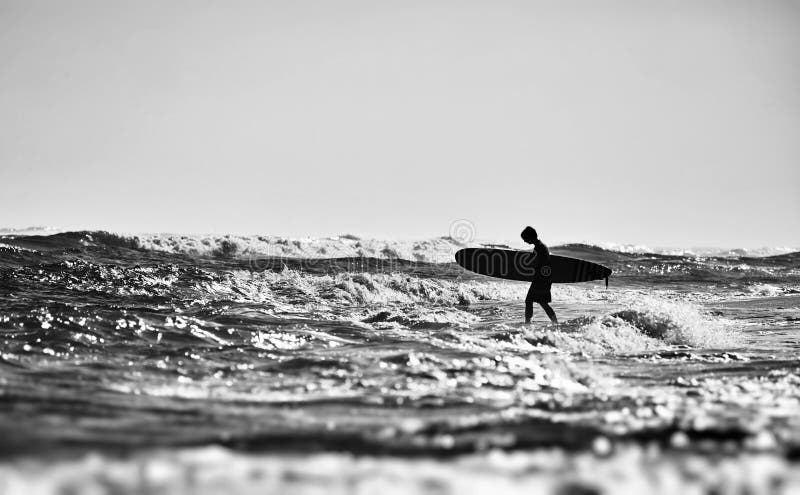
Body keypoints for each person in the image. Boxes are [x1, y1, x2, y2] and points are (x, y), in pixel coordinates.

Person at [521, 226, 558, 324]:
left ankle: (527, 323)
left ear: (530, 237)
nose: (524, 241)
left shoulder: (538, 248)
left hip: (540, 280)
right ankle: (555, 322)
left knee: (529, 300)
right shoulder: (542, 246)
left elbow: (534, 263)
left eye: (525, 239)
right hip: (545, 279)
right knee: (542, 303)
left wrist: (528, 264)